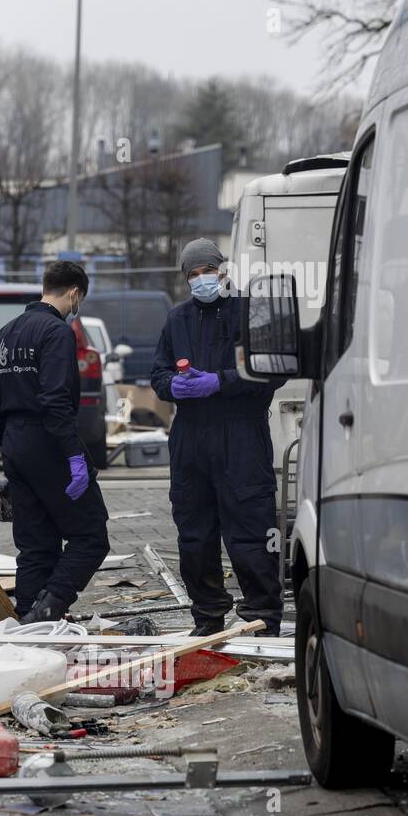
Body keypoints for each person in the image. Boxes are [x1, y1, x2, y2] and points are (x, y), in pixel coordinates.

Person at [151, 238, 284, 637]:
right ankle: (207, 617)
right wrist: (175, 386)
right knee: (194, 534)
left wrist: (220, 382)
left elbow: (272, 371)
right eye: (193, 274)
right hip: (191, 441)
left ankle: (262, 617)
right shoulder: (178, 320)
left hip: (241, 437)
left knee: (249, 532)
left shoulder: (251, 311)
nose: (202, 279)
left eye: (207, 270)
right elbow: (157, 375)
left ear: (222, 270)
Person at [0, 261, 110, 624]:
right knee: (91, 535)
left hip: (14, 442)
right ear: (74, 293)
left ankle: (30, 622)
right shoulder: (57, 333)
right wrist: (74, 456)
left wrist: (10, 445)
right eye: (78, 300)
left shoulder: (5, 334)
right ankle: (49, 606)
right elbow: (56, 401)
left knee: (36, 543)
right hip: (50, 442)